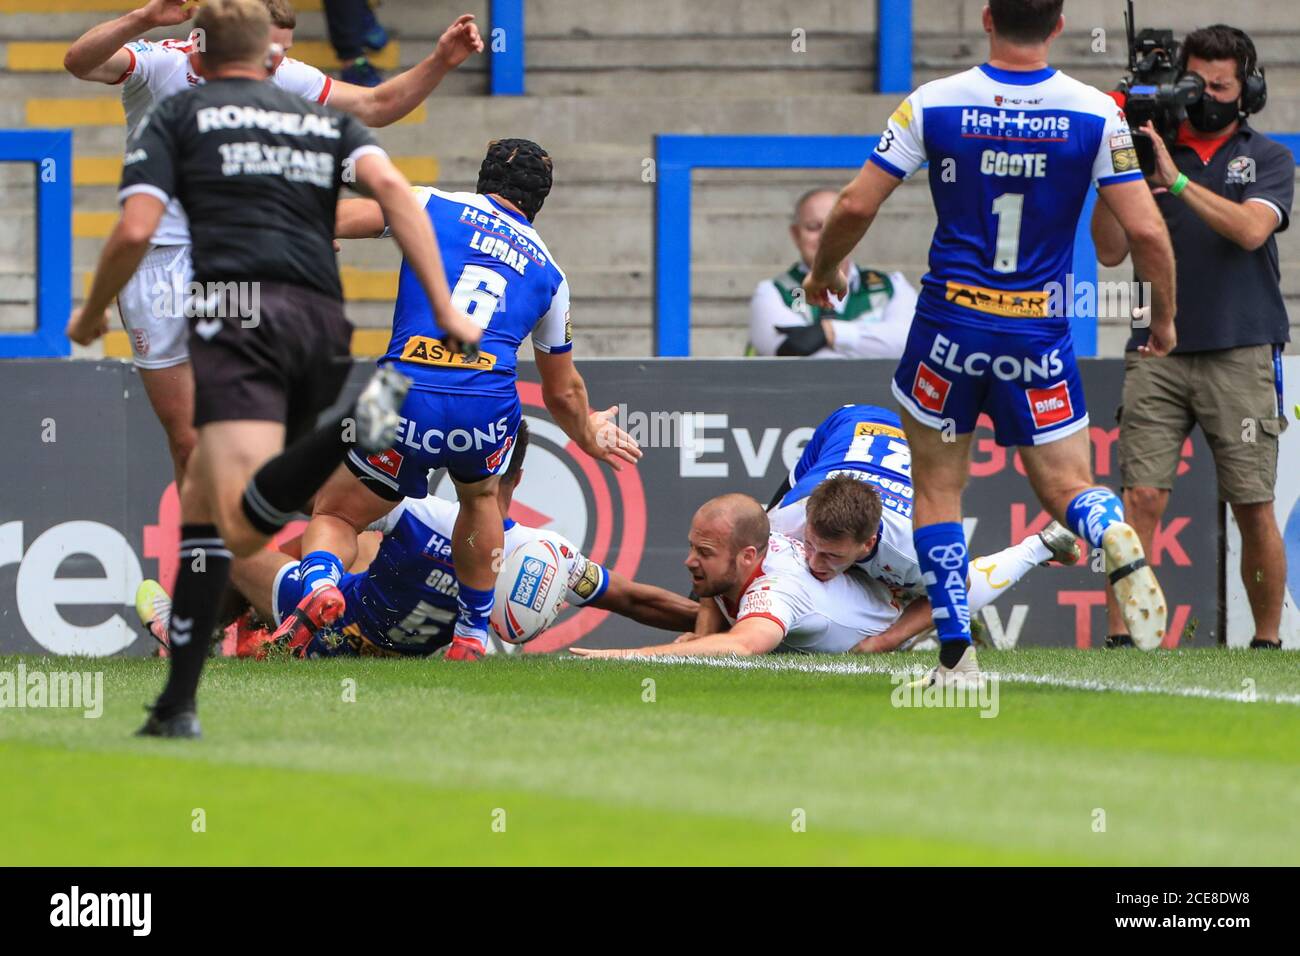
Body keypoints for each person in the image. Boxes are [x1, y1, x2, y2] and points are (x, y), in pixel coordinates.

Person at [72, 0, 480, 737]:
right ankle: (353, 433)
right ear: (265, 55)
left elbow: (134, 225)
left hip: (224, 294)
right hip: (302, 308)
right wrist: (446, 310)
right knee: (242, 489)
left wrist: (89, 310)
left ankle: (249, 628)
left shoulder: (186, 119)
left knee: (215, 502)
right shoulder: (302, 112)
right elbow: (397, 194)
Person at [802, 0, 1178, 683]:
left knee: (939, 491)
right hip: (1037, 328)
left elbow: (856, 204)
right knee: (1068, 486)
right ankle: (1106, 528)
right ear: (1058, 25)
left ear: (986, 18)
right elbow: (1146, 233)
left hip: (949, 326)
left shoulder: (933, 103)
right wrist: (1164, 317)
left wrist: (824, 272)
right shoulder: (1095, 111)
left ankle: (955, 652)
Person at [63, 0, 483, 490]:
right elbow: (78, 62)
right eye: (270, 52)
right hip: (159, 271)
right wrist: (143, 17)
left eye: (283, 54)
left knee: (244, 435)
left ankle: (322, 522)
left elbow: (378, 111)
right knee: (190, 442)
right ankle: (217, 557)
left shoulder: (287, 91)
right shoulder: (164, 72)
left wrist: (439, 62)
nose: (277, 65)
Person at [277, 140, 641, 663]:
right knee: (479, 499)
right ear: (539, 202)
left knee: (335, 512)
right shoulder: (551, 275)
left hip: (400, 388)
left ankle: (319, 583)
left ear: (483, 178)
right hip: (485, 398)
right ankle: (471, 633)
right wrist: (587, 430)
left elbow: (337, 215)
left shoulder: (429, 203)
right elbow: (562, 390)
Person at [139, 421, 698, 657]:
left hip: (338, 632)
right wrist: (719, 622)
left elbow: (323, 512)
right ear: (518, 479)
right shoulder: (549, 557)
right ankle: (254, 627)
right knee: (362, 547)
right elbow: (633, 597)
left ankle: (189, 631)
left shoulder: (420, 512)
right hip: (404, 653)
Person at [1092, 25, 1293, 650]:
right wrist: (1117, 154)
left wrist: (1176, 183)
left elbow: (1251, 231)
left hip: (1240, 347)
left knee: (1252, 503)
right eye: (1196, 82)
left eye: (1221, 85)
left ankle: (1265, 641)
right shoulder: (1146, 152)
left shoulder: (1268, 157)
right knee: (1141, 498)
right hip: (1155, 349)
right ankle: (1124, 639)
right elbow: (1107, 249)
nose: (1207, 94)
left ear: (1248, 89)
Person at [570, 493, 1052, 658]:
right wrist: (699, 634)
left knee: (957, 585)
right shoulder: (770, 528)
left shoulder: (777, 590)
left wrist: (623, 653)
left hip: (896, 612)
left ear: (746, 557)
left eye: (703, 552)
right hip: (868, 587)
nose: (688, 561)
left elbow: (741, 646)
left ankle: (1041, 543)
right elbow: (711, 597)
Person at [748, 188, 917, 358]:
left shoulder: (893, 285)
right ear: (795, 234)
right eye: (814, 227)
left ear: (855, 232)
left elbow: (913, 343)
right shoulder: (772, 292)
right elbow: (790, 353)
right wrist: (872, 344)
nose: (825, 236)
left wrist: (830, 332)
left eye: (836, 226)